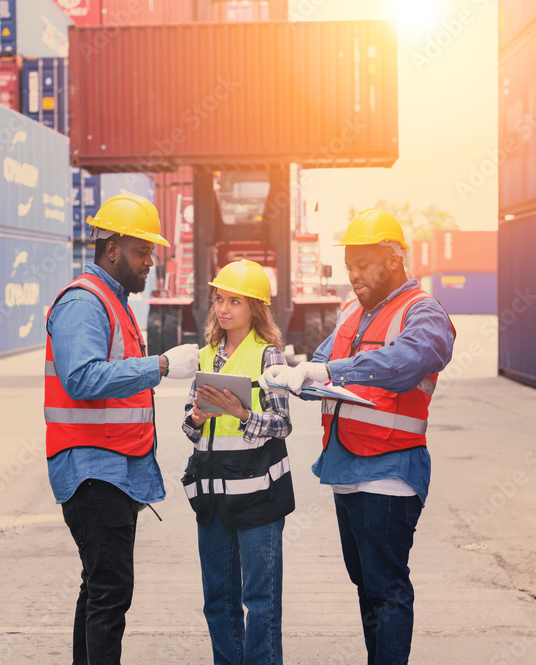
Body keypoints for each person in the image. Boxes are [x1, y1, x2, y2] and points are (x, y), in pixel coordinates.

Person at [261, 209, 455, 665]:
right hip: (347, 471)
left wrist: (327, 369)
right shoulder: (353, 315)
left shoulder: (423, 313)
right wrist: (292, 377)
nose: (353, 274)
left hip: (390, 470)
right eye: (349, 265)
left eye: (363, 263)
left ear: (392, 259)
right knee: (366, 587)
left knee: (386, 590)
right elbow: (323, 370)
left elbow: (404, 362)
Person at [44, 193, 201, 665]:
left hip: (113, 470)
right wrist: (161, 365)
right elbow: (81, 377)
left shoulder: (117, 303)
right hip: (94, 470)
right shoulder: (84, 302)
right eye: (142, 251)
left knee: (99, 589)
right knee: (110, 593)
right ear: (112, 249)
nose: (150, 262)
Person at [180, 259, 294, 665]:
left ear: (255, 309)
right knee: (218, 602)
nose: (223, 309)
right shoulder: (206, 356)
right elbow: (191, 429)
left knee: (260, 602)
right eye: (218, 300)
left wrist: (244, 416)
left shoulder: (269, 358)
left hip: (257, 499)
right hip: (211, 498)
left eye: (234, 302)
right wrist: (196, 418)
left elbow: (282, 424)